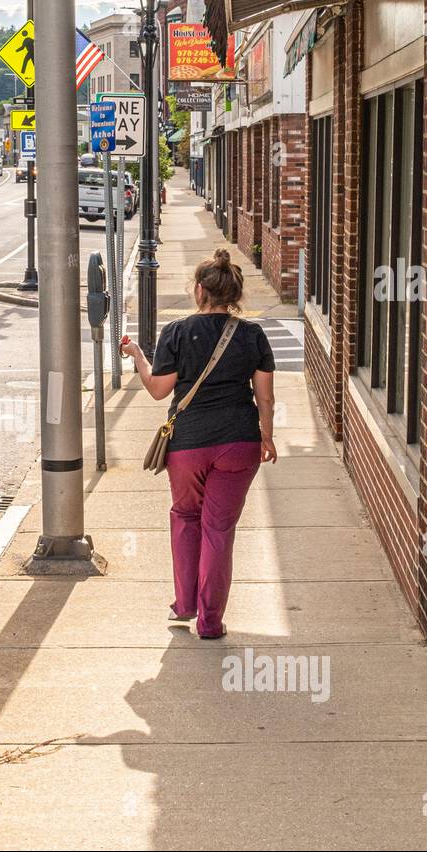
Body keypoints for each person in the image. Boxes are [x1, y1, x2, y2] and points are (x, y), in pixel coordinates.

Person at [121, 249, 277, 638]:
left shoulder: (176, 332)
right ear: (234, 293)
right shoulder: (252, 335)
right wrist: (268, 437)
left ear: (199, 291)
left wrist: (139, 356)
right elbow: (266, 397)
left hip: (188, 444)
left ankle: (185, 604)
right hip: (239, 442)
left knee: (186, 518)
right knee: (219, 530)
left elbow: (159, 391)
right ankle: (210, 621)